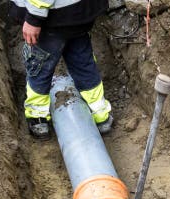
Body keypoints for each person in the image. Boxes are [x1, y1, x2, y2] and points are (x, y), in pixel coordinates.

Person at [9, 0, 113, 140]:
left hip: (52, 19)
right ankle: (101, 114)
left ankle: (38, 118)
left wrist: (34, 18)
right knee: (84, 64)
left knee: (39, 69)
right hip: (80, 14)